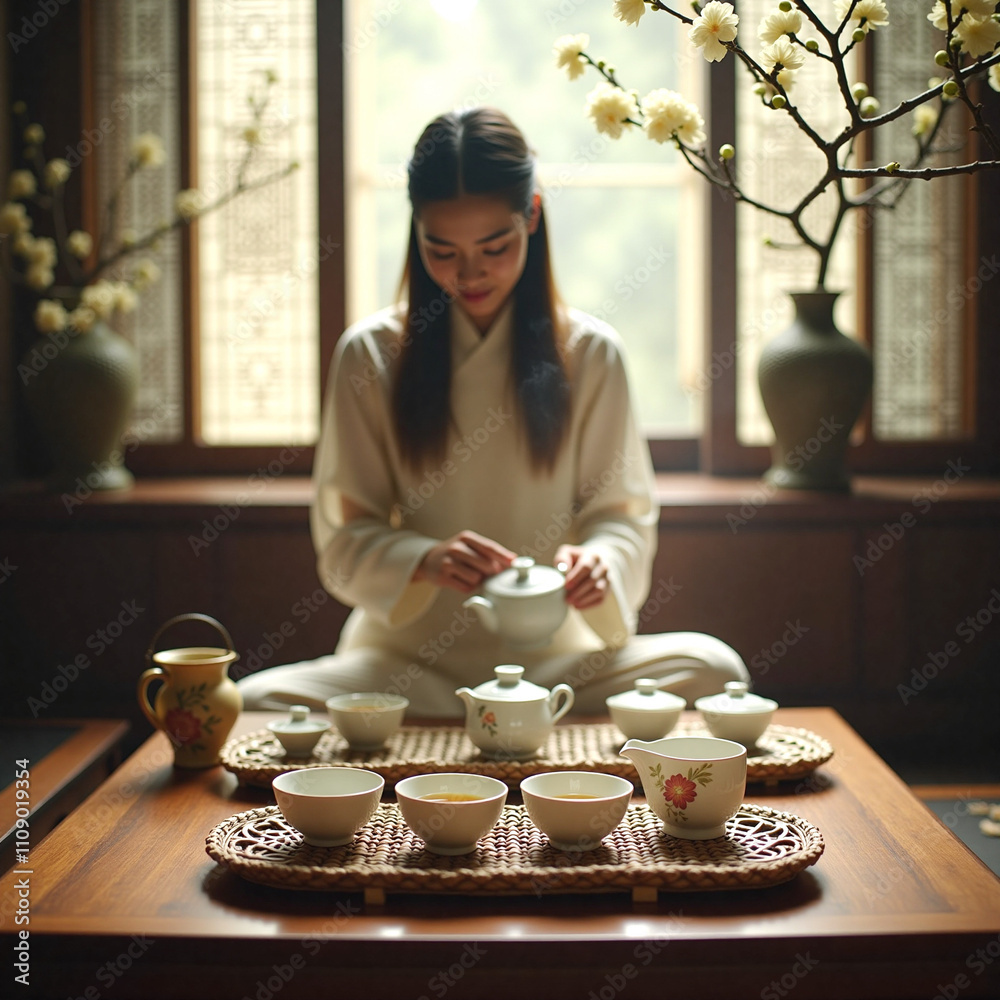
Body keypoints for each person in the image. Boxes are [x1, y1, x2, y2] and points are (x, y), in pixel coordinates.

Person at [237, 107, 748, 716]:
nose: (470, 272)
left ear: (531, 216)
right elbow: (344, 540)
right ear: (416, 231)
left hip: (556, 667)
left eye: (494, 246)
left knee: (715, 668)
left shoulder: (589, 354)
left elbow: (622, 517)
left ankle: (491, 725)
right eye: (442, 249)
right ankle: (490, 727)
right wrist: (422, 560)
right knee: (253, 701)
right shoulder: (370, 355)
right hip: (407, 670)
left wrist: (600, 563)